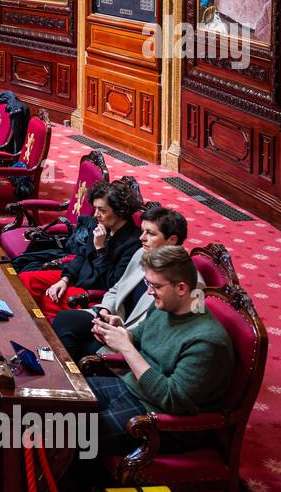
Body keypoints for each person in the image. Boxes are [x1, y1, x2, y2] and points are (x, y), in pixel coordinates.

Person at [85, 246, 234, 454]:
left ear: (181, 288)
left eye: (155, 285)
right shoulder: (163, 306)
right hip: (131, 390)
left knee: (68, 433)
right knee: (59, 405)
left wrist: (126, 348)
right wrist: (117, 331)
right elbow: (137, 338)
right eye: (148, 283)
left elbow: (173, 399)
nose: (148, 292)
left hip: (158, 420)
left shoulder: (207, 342)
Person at [53, 206, 194, 362]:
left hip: (134, 339)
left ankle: (73, 379)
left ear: (172, 240)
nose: (142, 238)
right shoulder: (143, 253)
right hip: (116, 319)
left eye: (150, 233)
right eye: (142, 231)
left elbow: (164, 334)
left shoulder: (185, 281)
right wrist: (105, 311)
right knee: (64, 319)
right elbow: (117, 288)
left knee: (85, 351)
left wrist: (122, 333)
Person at [18, 177, 143, 320]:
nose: (96, 215)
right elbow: (82, 255)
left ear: (120, 211)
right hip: (81, 276)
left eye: (102, 210)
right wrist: (65, 279)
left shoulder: (133, 242)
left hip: (96, 288)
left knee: (51, 298)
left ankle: (42, 332)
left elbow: (114, 283)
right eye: (95, 208)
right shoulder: (101, 225)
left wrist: (100, 249)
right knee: (26, 280)